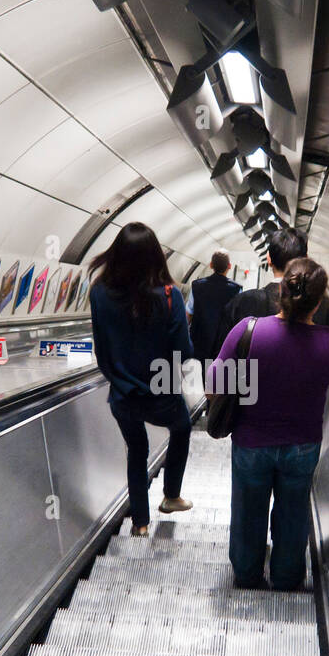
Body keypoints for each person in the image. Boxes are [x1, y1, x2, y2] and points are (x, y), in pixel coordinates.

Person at [209, 258, 329, 590]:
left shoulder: (247, 330)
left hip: (250, 441)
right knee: (293, 514)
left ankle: (246, 575)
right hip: (302, 445)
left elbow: (215, 380)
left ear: (281, 293)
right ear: (319, 301)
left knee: (247, 511)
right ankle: (286, 578)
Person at [89, 223, 194, 536]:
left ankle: (140, 524)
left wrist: (119, 377)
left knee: (137, 450)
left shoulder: (99, 292)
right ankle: (171, 496)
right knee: (183, 428)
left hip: (123, 394)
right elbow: (183, 351)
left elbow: (101, 347)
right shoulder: (169, 294)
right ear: (155, 257)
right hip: (162, 391)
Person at [210, 228, 329, 358]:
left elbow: (222, 364)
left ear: (269, 259)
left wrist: (248, 383)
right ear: (305, 259)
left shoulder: (241, 304)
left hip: (249, 383)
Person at [187, 251, 241, 364]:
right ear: (229, 266)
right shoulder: (236, 289)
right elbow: (236, 318)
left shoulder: (196, 285)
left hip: (199, 341)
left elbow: (189, 314)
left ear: (211, 265)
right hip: (222, 344)